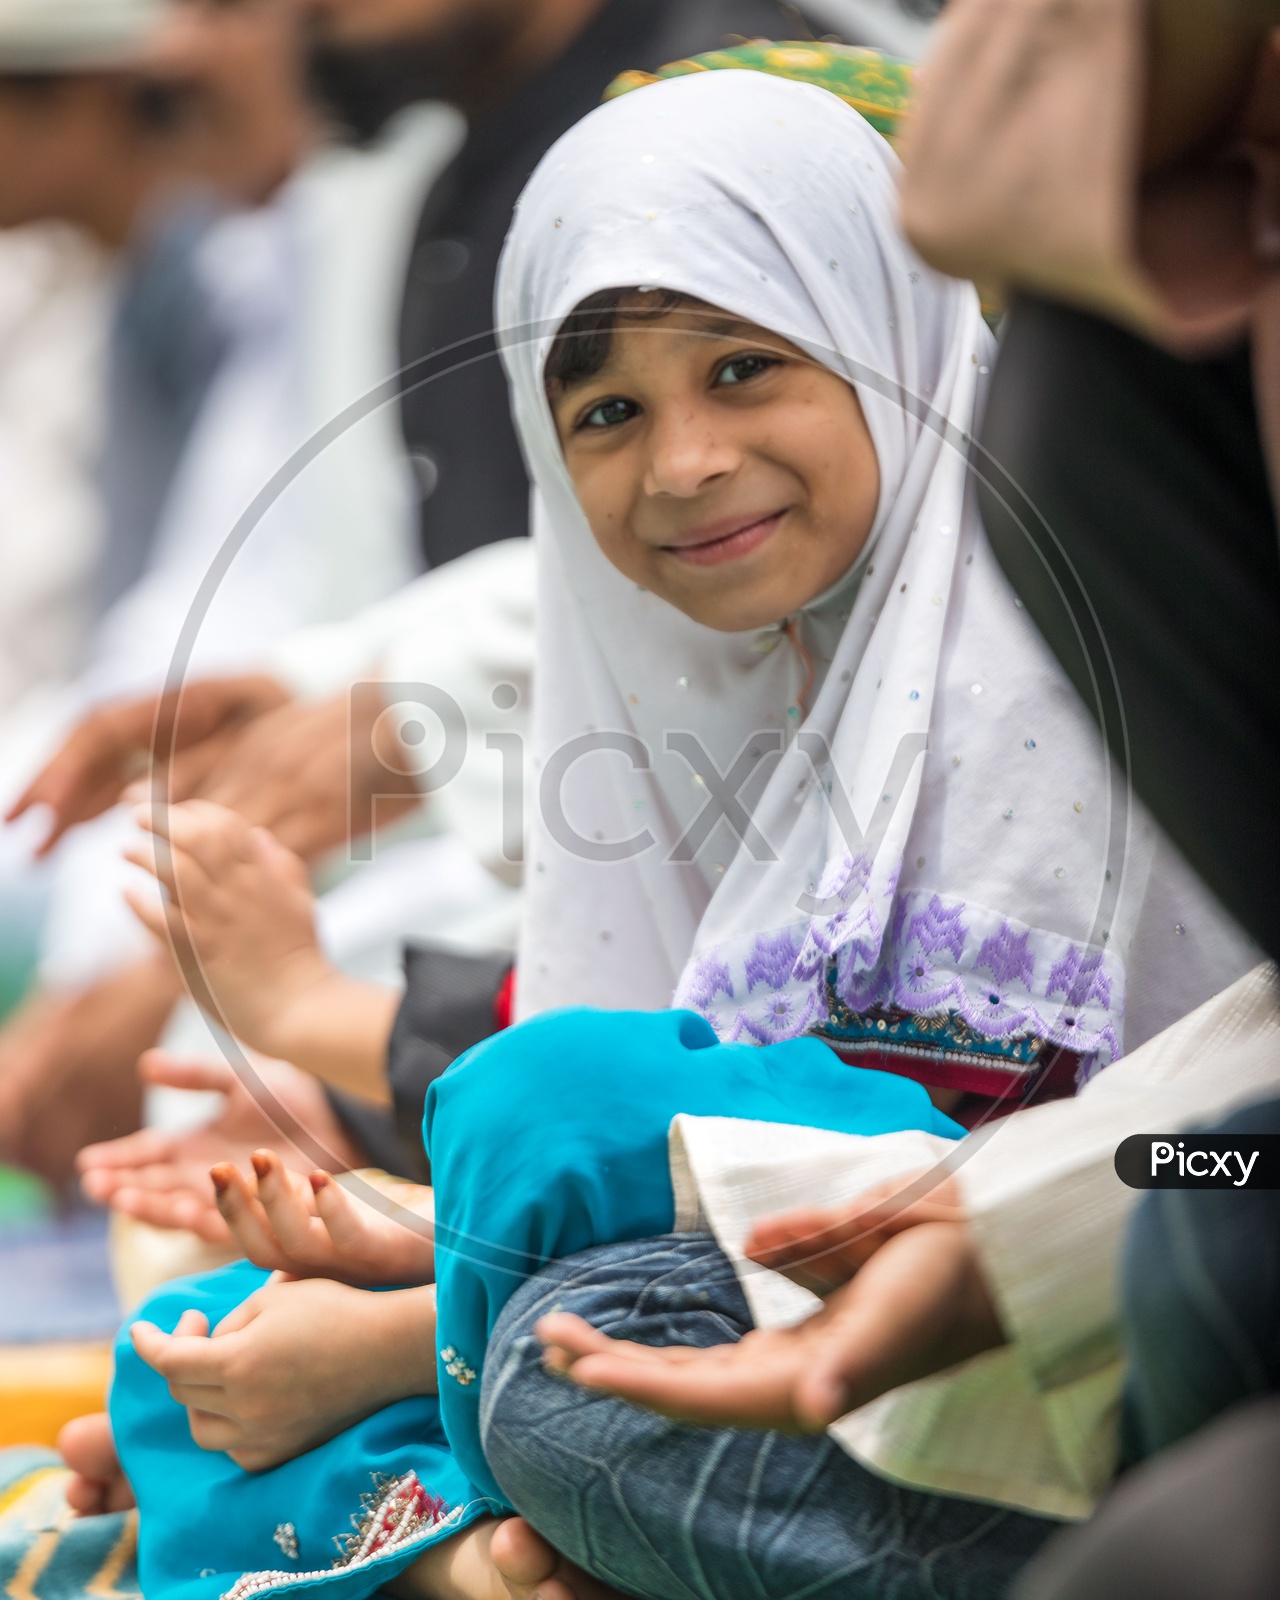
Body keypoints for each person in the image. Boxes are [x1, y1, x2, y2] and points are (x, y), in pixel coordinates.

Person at [48, 57, 1262, 1600]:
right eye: (608, 411)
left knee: (546, 1336)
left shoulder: (1088, 655)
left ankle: (442, 1509)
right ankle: (451, 1500)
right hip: (781, 1294)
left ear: (878, 331)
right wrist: (415, 1236)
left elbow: (1173, 1157)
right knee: (208, 1332)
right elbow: (668, 1147)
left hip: (1115, 1296)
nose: (684, 463)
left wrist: (411, 1299)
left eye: (746, 367)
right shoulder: (718, 688)